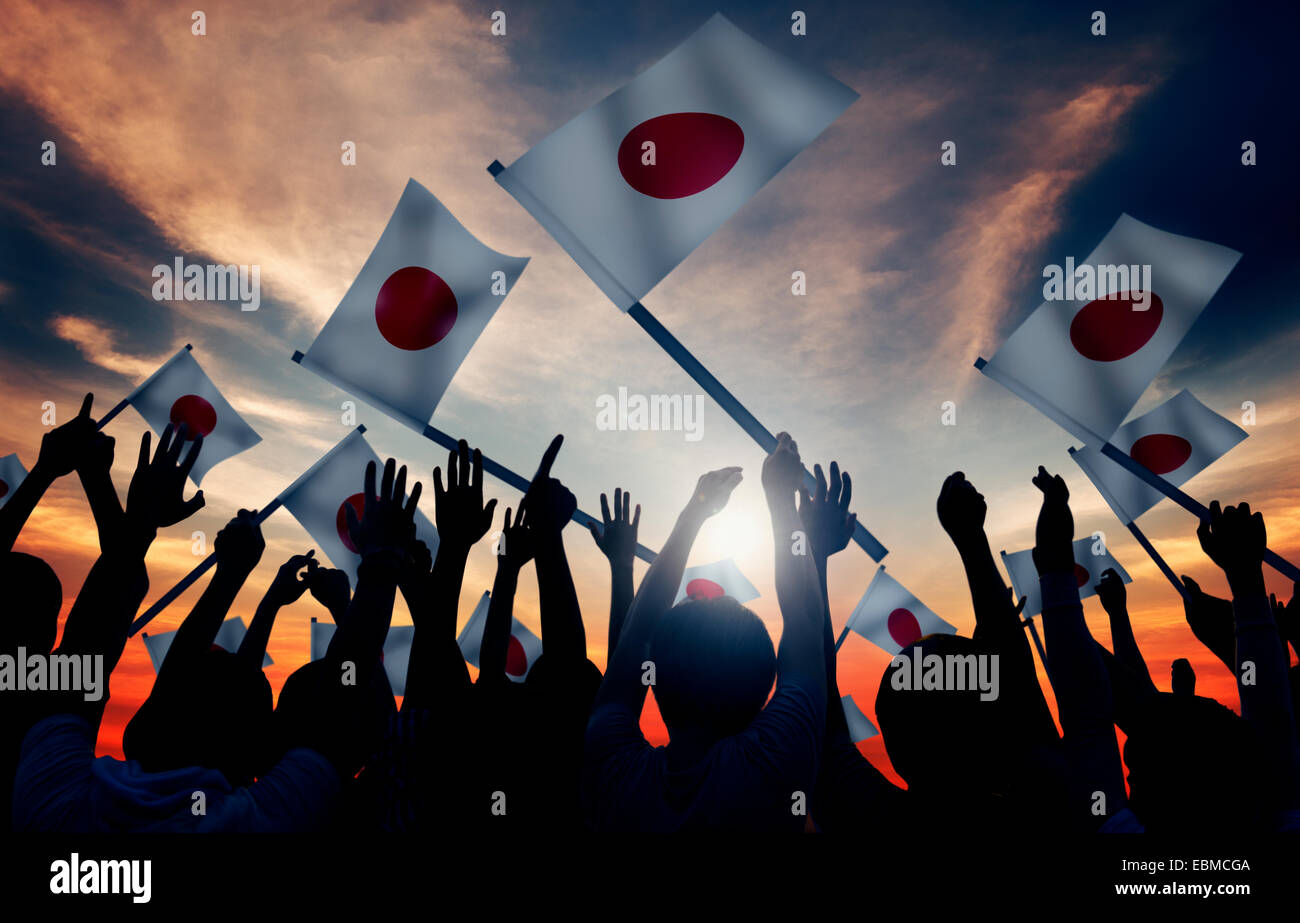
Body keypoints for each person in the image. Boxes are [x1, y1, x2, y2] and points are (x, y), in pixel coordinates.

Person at [582, 432, 827, 832]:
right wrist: (782, 500)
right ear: (763, 685)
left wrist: (692, 516)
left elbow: (633, 640)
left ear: (655, 675)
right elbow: (805, 617)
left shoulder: (613, 769)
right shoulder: (778, 761)